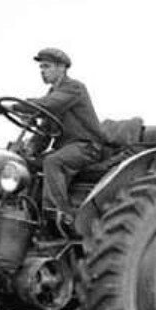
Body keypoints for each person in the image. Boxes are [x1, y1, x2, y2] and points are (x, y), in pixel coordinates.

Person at [21, 48, 106, 228]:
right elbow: (45, 128)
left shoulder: (74, 88)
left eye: (47, 66)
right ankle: (26, 212)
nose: (42, 71)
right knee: (25, 164)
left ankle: (59, 214)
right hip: (67, 148)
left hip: (86, 147)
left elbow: (49, 106)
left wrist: (22, 105)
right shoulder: (53, 93)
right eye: (41, 67)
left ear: (62, 68)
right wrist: (30, 149)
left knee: (53, 162)